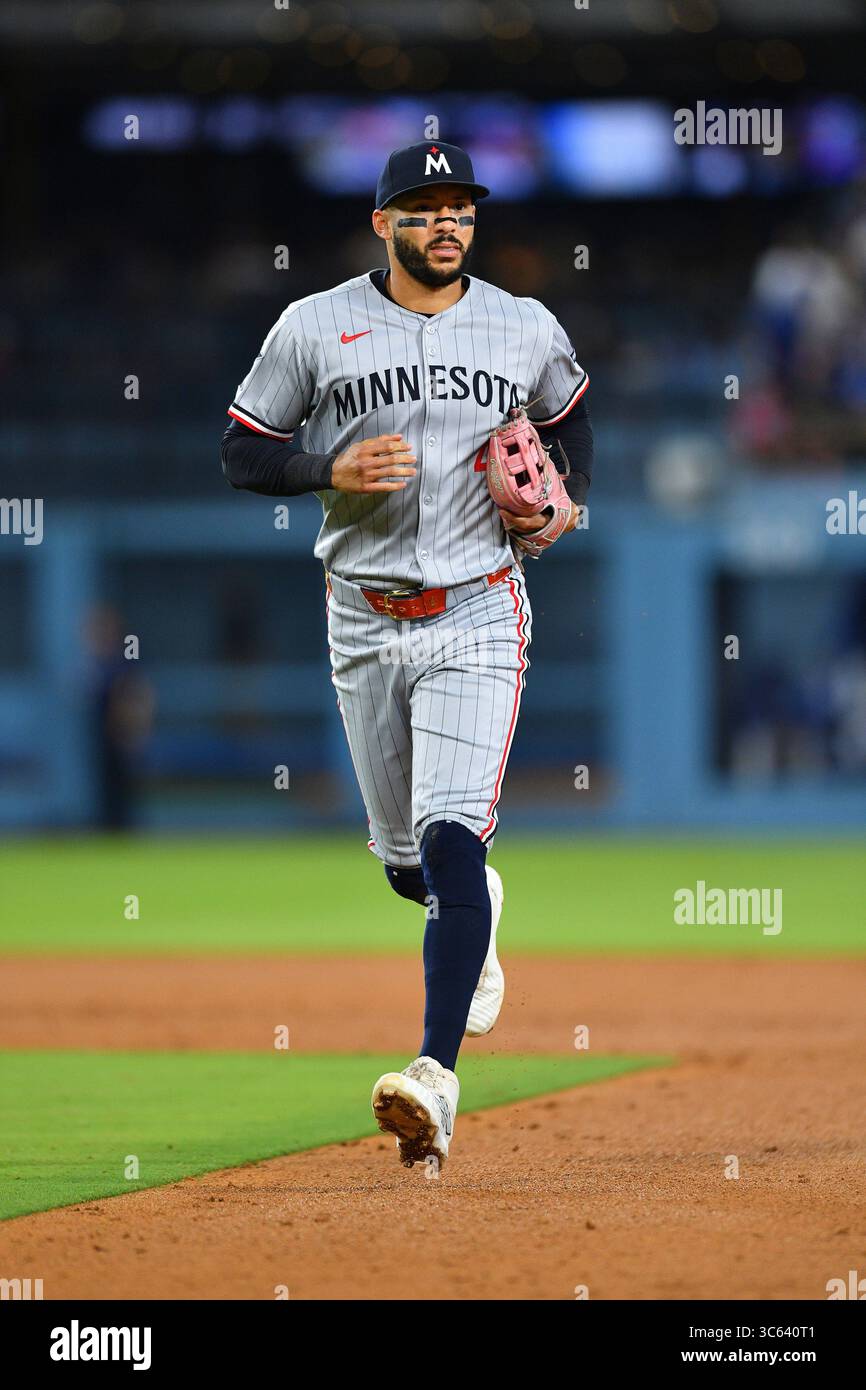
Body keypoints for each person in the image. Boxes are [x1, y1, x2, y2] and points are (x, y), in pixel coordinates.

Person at [222, 141, 593, 1172]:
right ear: (383, 221)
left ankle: (431, 1078)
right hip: (361, 611)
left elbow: (569, 418)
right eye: (424, 207)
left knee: (445, 841)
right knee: (404, 867)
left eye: (459, 208)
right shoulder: (313, 326)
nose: (446, 224)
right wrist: (321, 466)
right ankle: (474, 898)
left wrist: (567, 498)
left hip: (477, 607)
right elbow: (242, 445)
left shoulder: (522, 325)